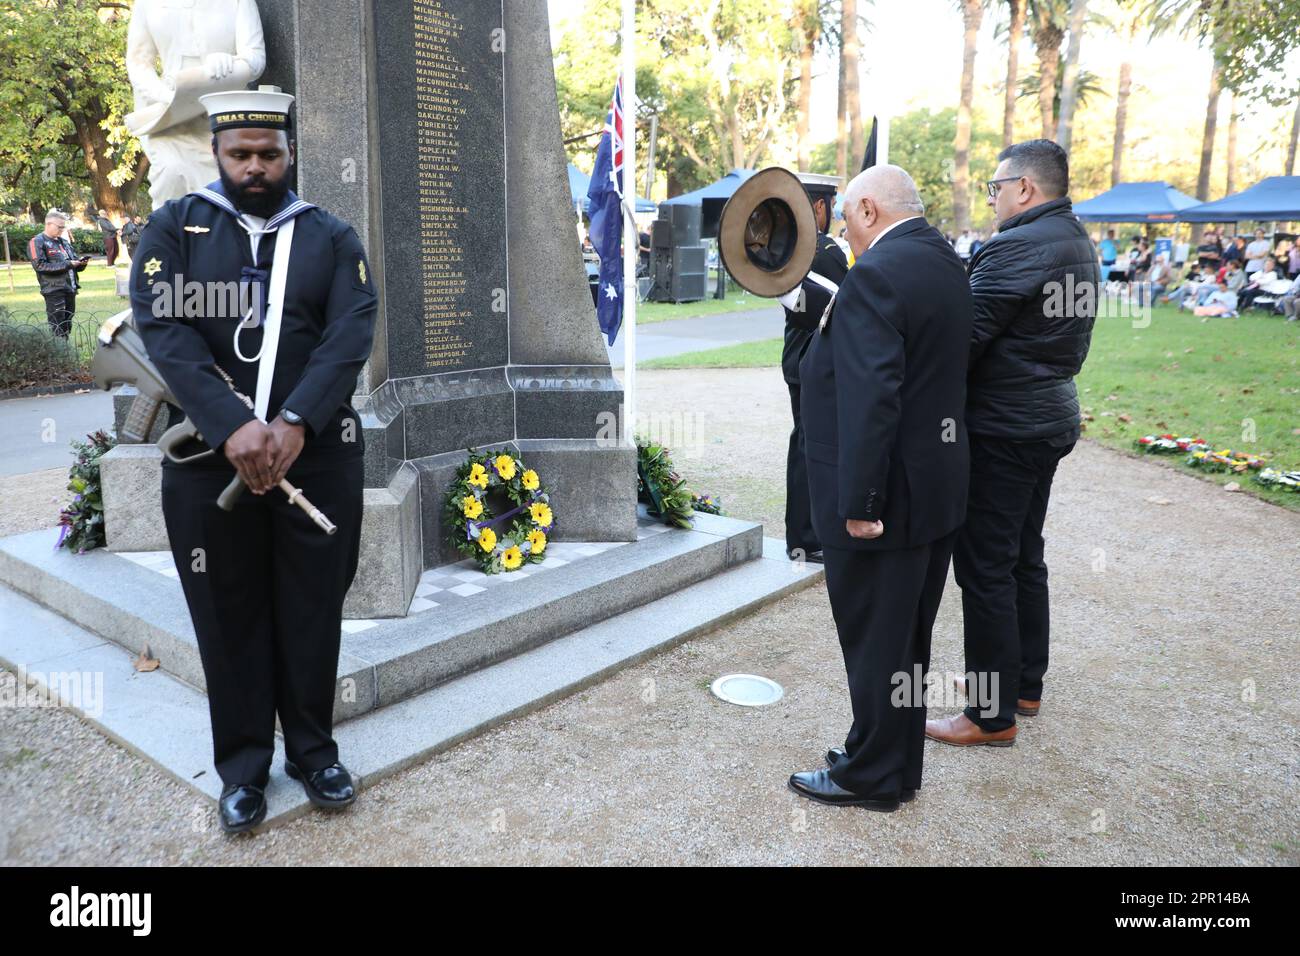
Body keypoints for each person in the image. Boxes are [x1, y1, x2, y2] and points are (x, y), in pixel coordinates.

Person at [131, 87, 377, 834]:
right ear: (217, 153)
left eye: (269, 154)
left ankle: (312, 750)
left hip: (316, 459)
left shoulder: (331, 238)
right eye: (240, 154)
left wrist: (296, 422)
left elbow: (351, 330)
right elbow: (162, 328)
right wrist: (233, 423)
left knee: (311, 609)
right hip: (211, 462)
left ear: (290, 154)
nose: (256, 167)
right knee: (227, 615)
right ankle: (243, 768)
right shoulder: (176, 229)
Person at [787, 164, 972, 810]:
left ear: (867, 209)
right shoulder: (946, 263)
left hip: (885, 501)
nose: (846, 232)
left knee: (873, 641)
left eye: (845, 219)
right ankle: (893, 762)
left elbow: (874, 399)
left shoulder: (876, 274)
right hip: (934, 490)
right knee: (906, 642)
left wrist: (861, 505)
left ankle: (869, 776)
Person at [927, 139, 1098, 748]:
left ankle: (989, 714)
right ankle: (1026, 684)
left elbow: (963, 337)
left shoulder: (1020, 243)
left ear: (1025, 188)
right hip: (1047, 416)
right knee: (1024, 554)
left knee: (987, 567)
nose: (993, 197)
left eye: (995, 187)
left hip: (1005, 426)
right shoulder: (1075, 239)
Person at [778, 173, 849, 564]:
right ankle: (807, 538)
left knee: (806, 443)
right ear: (819, 207)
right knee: (811, 446)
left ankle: (805, 535)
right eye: (833, 204)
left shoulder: (789, 248)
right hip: (814, 360)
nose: (835, 212)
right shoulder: (822, 251)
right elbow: (833, 309)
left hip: (799, 359)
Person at [28, 210, 90, 338]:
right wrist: (69, 264)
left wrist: (81, 264)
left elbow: (73, 265)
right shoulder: (37, 241)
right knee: (57, 326)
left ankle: (65, 352)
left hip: (70, 288)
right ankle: (60, 354)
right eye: (59, 227)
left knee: (68, 324)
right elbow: (39, 266)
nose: (62, 230)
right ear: (48, 224)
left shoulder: (64, 242)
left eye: (63, 227)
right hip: (54, 290)